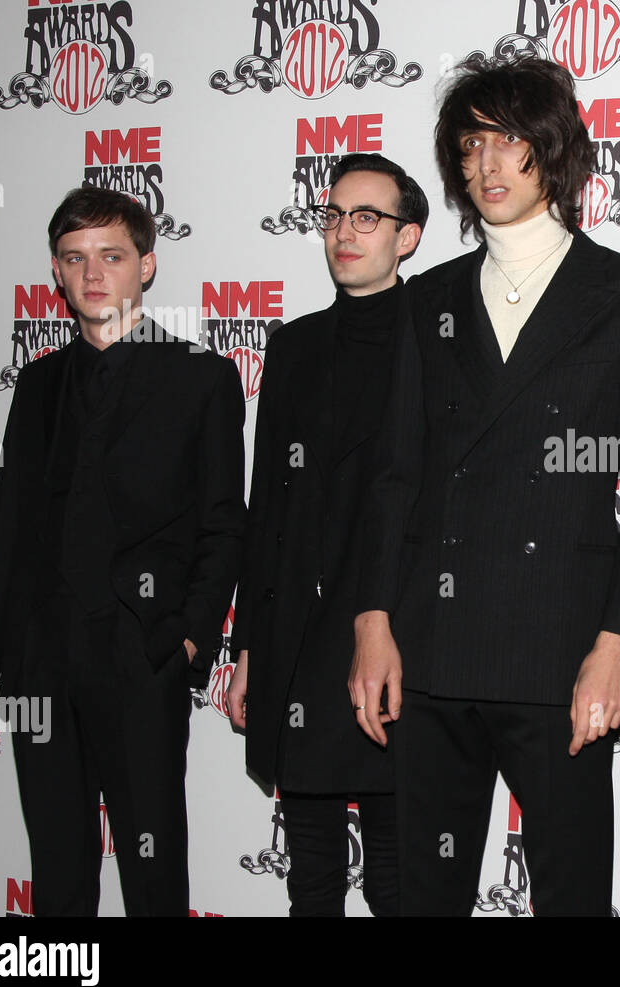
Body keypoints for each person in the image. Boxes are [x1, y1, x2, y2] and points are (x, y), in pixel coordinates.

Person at [356, 54, 620, 916]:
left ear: (556, 152)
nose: (489, 166)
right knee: (426, 895)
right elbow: (394, 476)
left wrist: (617, 649)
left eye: (511, 143)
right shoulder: (427, 301)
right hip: (433, 648)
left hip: (563, 653)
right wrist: (372, 621)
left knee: (572, 896)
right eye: (470, 145)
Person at [0, 186, 245, 916]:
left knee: (152, 876)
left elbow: (223, 525)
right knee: (57, 872)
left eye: (110, 256)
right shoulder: (39, 383)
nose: (92, 274)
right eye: (74, 258)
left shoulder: (199, 377)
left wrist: (185, 643)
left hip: (140, 656)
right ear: (56, 270)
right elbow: (10, 531)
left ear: (146, 265)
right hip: (39, 661)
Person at [227, 154, 426, 916]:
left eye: (367, 217)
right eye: (334, 215)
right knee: (309, 876)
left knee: (397, 879)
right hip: (299, 640)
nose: (346, 232)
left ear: (406, 238)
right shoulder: (294, 345)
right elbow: (264, 508)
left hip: (395, 635)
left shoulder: (440, 336)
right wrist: (249, 648)